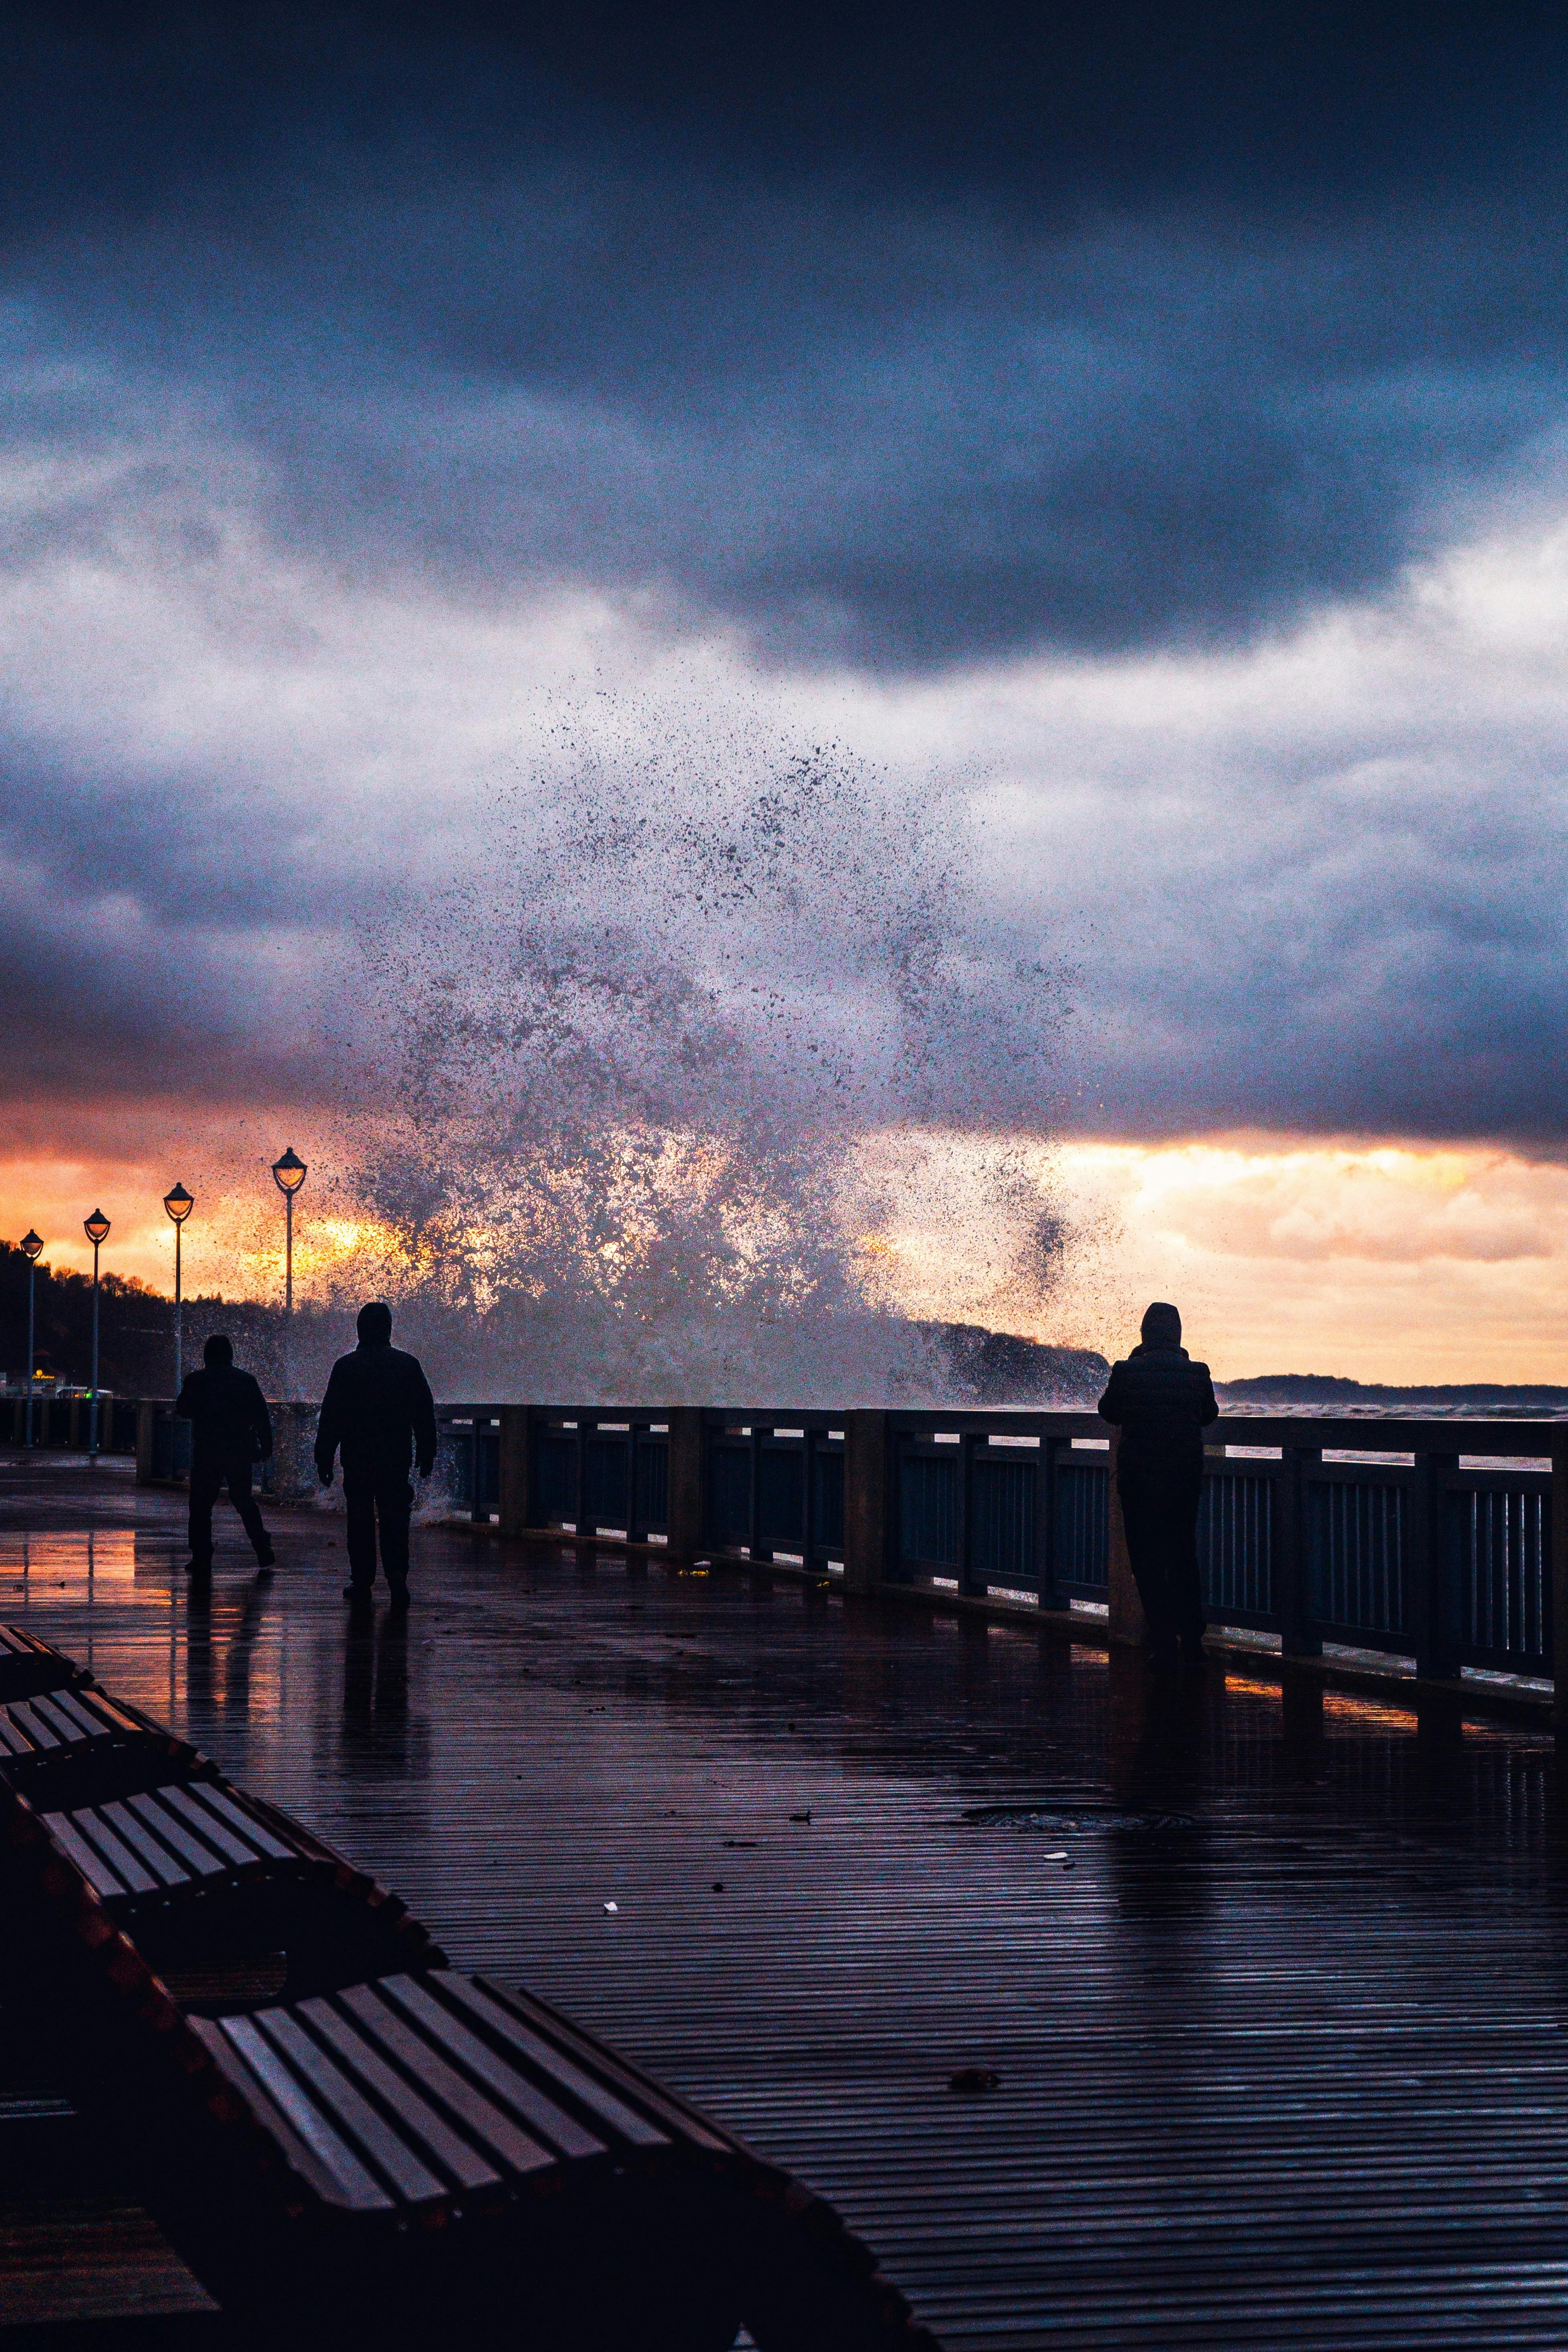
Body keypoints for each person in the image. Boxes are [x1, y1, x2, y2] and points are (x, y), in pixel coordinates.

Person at [1098, 1301, 1218, 1673]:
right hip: (1182, 1481)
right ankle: (1194, 1643)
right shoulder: (1197, 1372)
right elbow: (1208, 1414)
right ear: (1178, 1334)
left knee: (1148, 1563)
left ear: (1144, 1333)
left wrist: (1135, 1360)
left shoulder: (1126, 1371)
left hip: (1139, 1484)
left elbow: (1108, 1411)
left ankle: (1163, 1645)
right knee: (1183, 1558)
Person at [314, 1301, 437, 1608]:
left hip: (357, 1457)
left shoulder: (345, 1367)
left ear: (359, 1329)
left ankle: (362, 1581)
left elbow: (331, 1417)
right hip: (395, 1456)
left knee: (360, 1517)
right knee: (396, 1515)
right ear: (388, 1329)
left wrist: (324, 1456)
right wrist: (427, 1450)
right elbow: (423, 1413)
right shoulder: (408, 1365)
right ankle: (397, 1575)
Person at [175, 1334, 275, 1577]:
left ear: (207, 1356)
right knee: (243, 1499)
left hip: (207, 1451)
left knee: (201, 1504)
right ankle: (262, 1547)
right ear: (230, 1355)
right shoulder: (246, 1381)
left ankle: (201, 1556)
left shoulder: (197, 1380)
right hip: (239, 1450)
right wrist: (267, 1446)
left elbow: (183, 1410)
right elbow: (262, 1416)